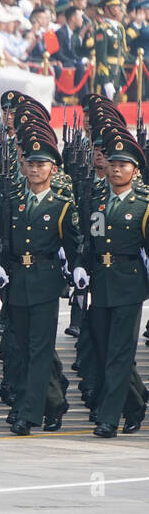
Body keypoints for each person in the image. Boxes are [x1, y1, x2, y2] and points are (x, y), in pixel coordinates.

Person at [0, 129, 79, 436]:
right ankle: (52, 402)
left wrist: (79, 278)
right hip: (17, 282)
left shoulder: (61, 206)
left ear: (53, 169)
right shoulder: (13, 203)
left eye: (41, 164)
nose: (34, 169)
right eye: (30, 163)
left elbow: (73, 248)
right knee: (22, 349)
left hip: (45, 282)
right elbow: (3, 245)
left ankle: (28, 414)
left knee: (40, 349)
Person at [80, 130, 148, 438]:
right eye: (113, 163)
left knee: (120, 352)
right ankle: (134, 403)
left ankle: (108, 418)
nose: (117, 169)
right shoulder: (96, 199)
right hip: (100, 281)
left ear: (136, 171)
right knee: (105, 349)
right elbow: (87, 242)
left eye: (124, 165)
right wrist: (81, 271)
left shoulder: (144, 204)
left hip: (129, 283)